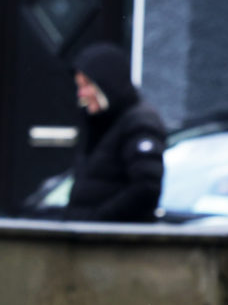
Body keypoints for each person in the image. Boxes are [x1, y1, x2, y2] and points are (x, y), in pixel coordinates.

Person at [65, 43, 166, 223]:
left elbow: (146, 188)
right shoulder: (102, 122)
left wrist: (98, 222)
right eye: (78, 86)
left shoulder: (139, 123)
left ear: (107, 83)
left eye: (87, 85)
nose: (81, 94)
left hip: (114, 246)